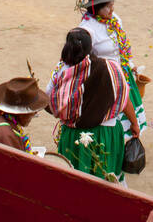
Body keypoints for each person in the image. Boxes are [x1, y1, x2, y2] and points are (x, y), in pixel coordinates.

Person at [48, 28, 139, 182]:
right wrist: (134, 123)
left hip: (73, 137)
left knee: (73, 181)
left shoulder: (62, 70)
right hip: (106, 134)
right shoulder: (111, 68)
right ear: (91, 47)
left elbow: (50, 101)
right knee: (106, 181)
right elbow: (125, 99)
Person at [75, 0, 146, 142]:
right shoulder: (87, 30)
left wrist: (130, 64)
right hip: (105, 80)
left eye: (112, 4)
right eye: (107, 6)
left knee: (130, 107)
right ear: (96, 9)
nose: (112, 9)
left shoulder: (114, 19)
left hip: (123, 72)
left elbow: (121, 46)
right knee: (114, 116)